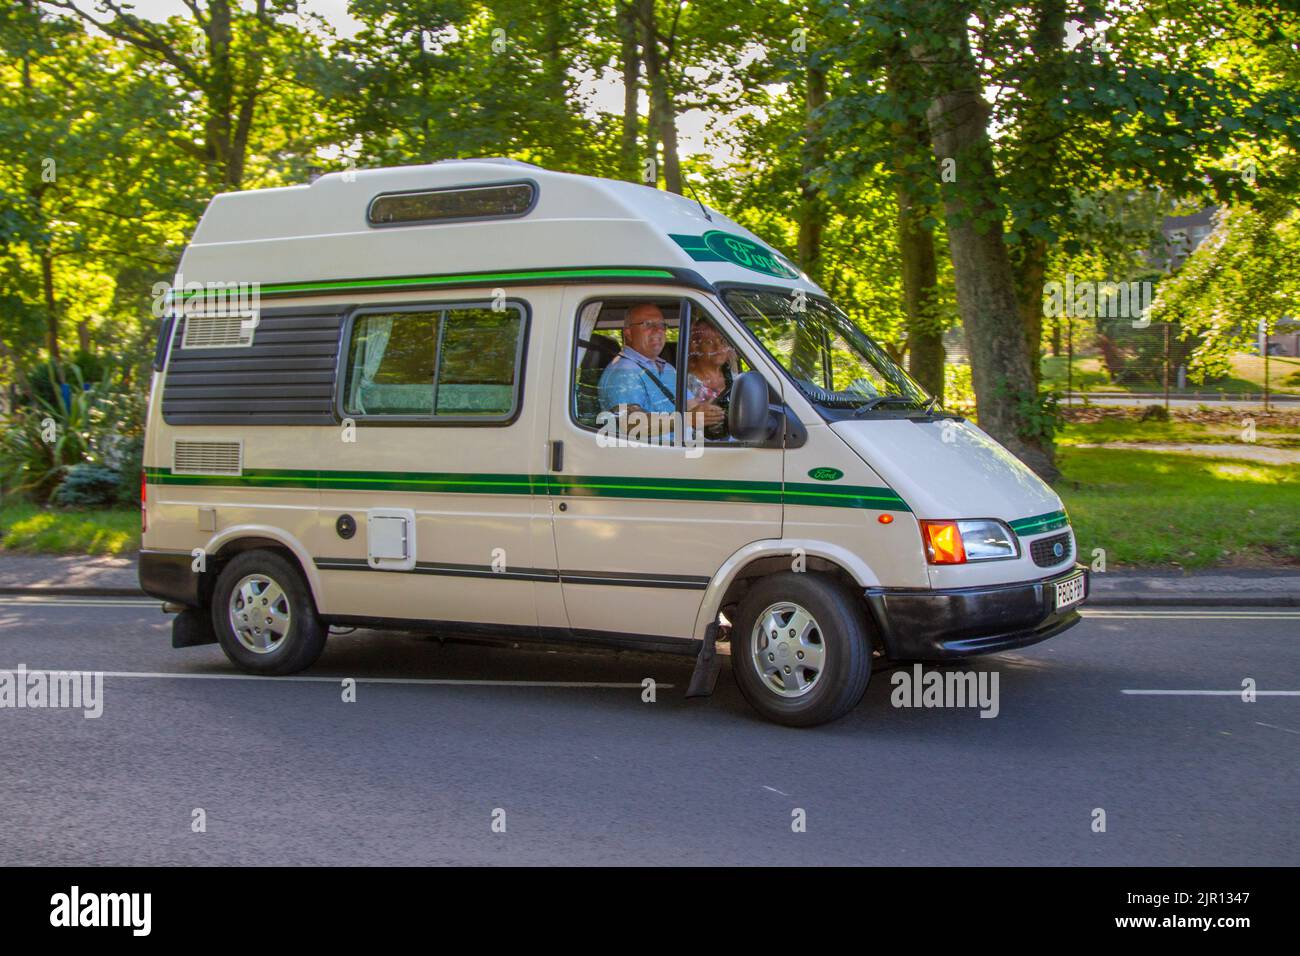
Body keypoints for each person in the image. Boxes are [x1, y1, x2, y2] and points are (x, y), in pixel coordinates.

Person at [597, 303, 724, 438]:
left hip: (683, 451)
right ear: (628, 333)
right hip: (652, 456)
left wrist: (715, 414)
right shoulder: (622, 372)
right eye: (648, 324)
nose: (658, 330)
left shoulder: (667, 368)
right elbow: (631, 423)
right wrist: (687, 419)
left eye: (662, 325)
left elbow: (692, 408)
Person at [685, 319, 733, 439]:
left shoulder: (734, 377)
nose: (719, 347)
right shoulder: (685, 383)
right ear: (696, 347)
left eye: (722, 341)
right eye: (709, 342)